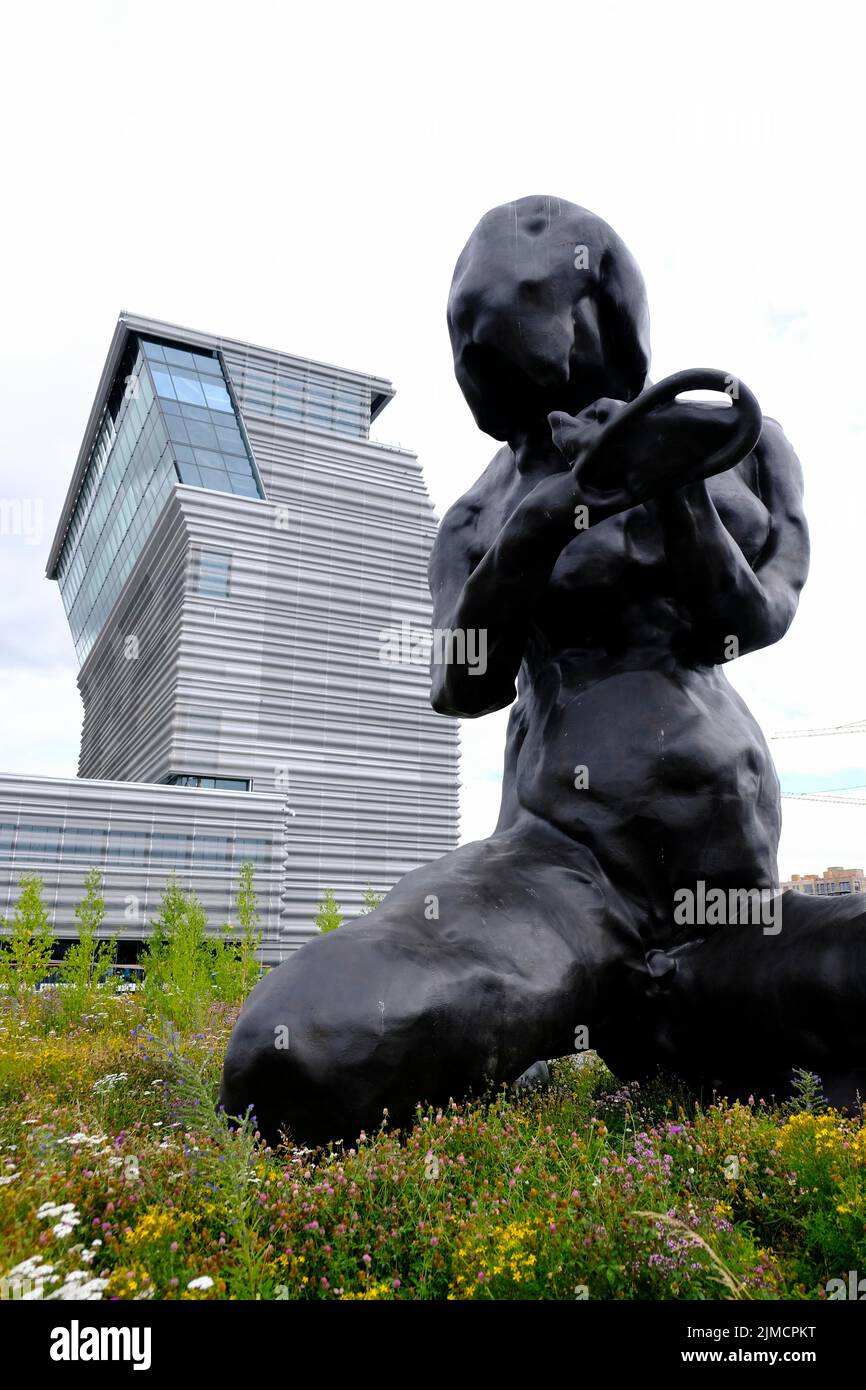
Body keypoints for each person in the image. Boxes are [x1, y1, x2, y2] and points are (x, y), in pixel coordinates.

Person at [220, 196, 866, 1145]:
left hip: (729, 897)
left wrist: (670, 490)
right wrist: (540, 522)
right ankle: (598, 998)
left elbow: (754, 618)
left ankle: (676, 1011)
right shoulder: (479, 516)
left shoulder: (734, 442)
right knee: (304, 1048)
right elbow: (462, 681)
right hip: (562, 878)